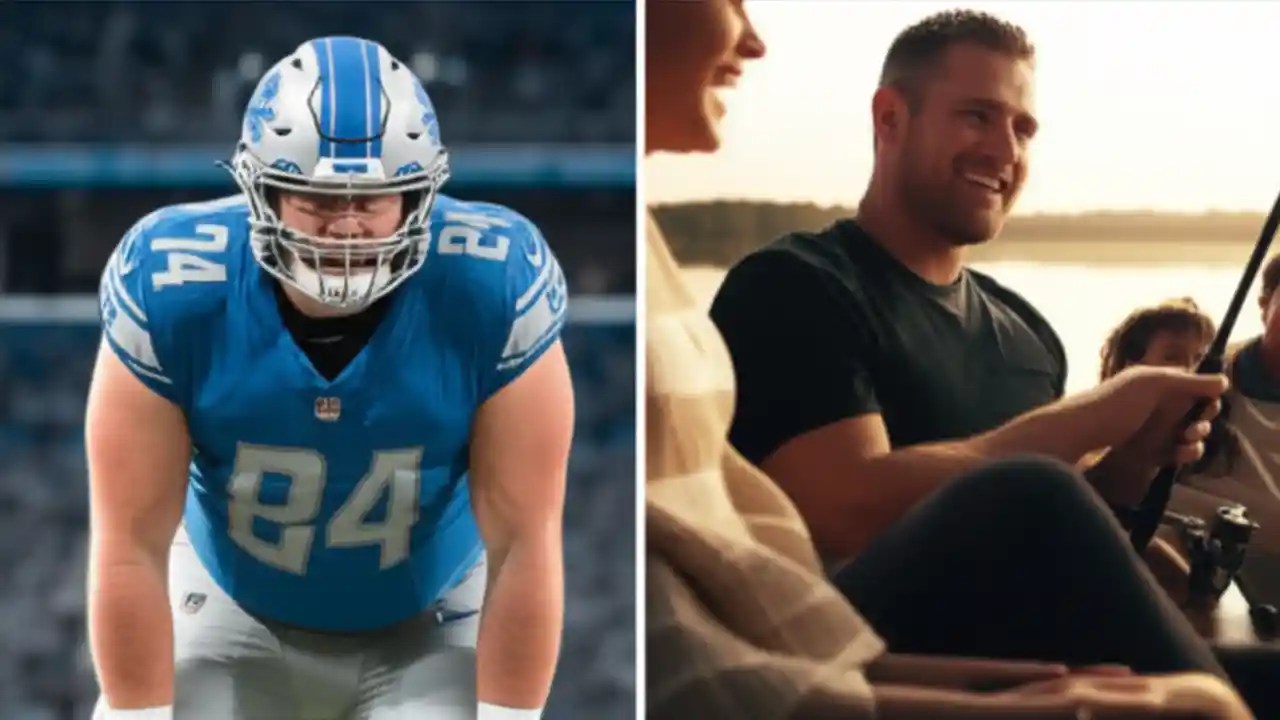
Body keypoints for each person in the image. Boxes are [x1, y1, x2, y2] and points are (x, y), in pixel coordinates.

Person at [644, 1, 1251, 718]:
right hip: (830, 639)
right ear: (890, 117)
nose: (1005, 149)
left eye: (1022, 127)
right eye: (976, 116)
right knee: (1031, 491)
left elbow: (1051, 537)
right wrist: (1089, 417)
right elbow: (841, 512)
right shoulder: (793, 286)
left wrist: (1129, 462)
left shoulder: (1026, 333)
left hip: (1024, 647)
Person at [86, 37, 572, 720]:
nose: (345, 226)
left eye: (372, 200)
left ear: (418, 197)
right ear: (264, 191)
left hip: (430, 620)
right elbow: (128, 543)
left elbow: (526, 539)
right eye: (317, 199)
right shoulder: (173, 284)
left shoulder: (492, 283)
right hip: (230, 609)